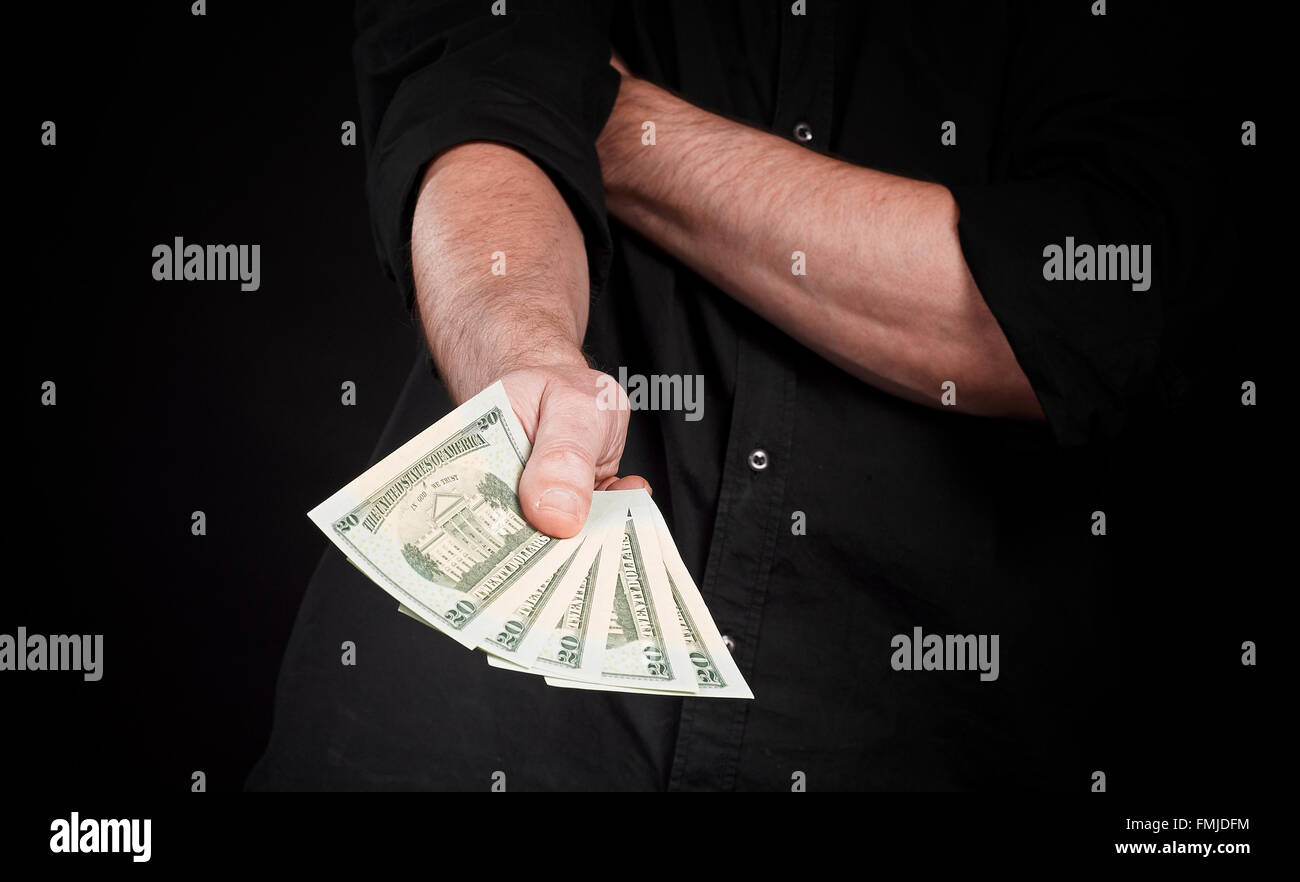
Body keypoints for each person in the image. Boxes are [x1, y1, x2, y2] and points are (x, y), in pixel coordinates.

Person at [249, 0, 1221, 790]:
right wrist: (524, 348)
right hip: (466, 723)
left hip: (930, 719)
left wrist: (614, 123)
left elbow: (1078, 304)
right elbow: (470, 90)